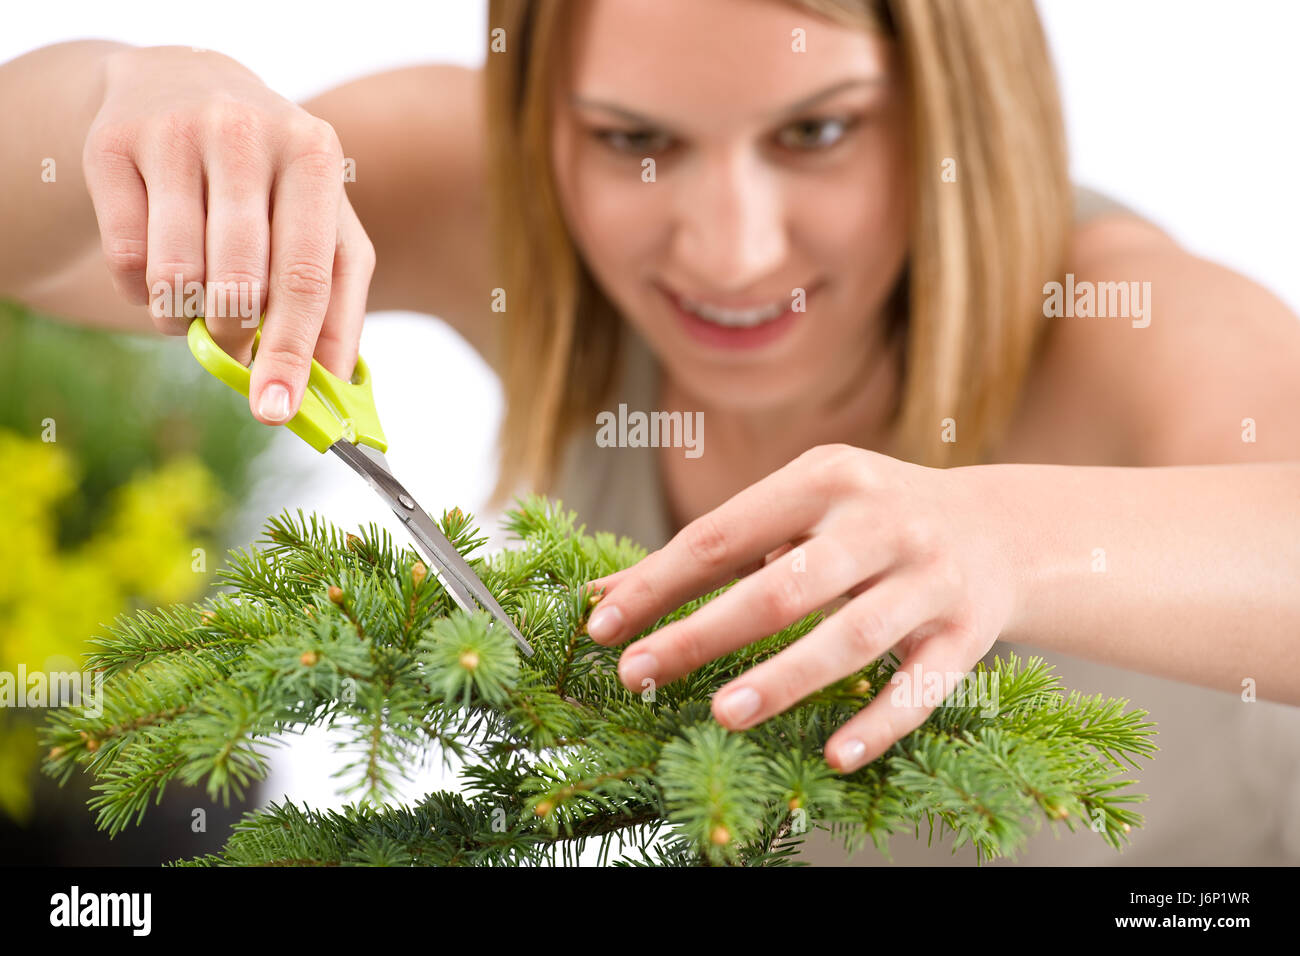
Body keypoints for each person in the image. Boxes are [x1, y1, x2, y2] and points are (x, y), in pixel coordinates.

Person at [2, 0, 1297, 866]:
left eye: (819, 130)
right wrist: (135, 96)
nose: (730, 251)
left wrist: (1007, 533)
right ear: (541, 125)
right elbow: (34, 251)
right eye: (635, 140)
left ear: (959, 105)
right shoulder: (501, 208)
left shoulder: (1114, 314)